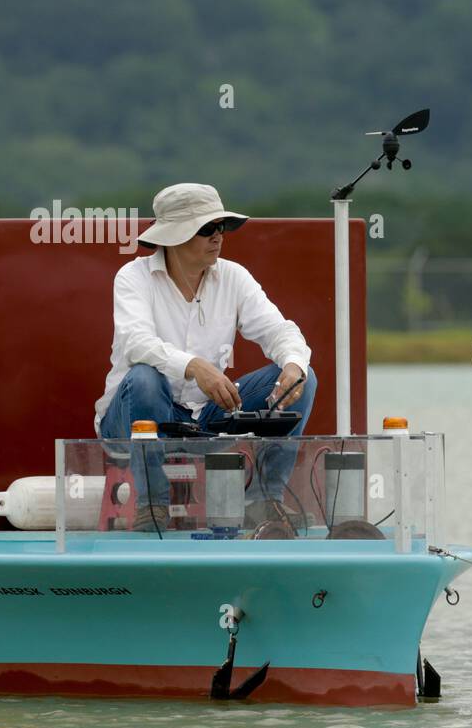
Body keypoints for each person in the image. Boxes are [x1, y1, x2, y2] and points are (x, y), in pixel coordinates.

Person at [93, 183, 314, 531]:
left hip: (206, 417)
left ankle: (265, 500)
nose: (219, 237)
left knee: (304, 376)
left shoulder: (234, 276)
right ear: (174, 236)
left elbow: (279, 330)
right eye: (207, 229)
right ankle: (152, 506)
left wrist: (293, 364)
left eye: (222, 227)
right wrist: (194, 366)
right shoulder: (132, 277)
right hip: (132, 418)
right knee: (145, 378)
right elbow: (136, 342)